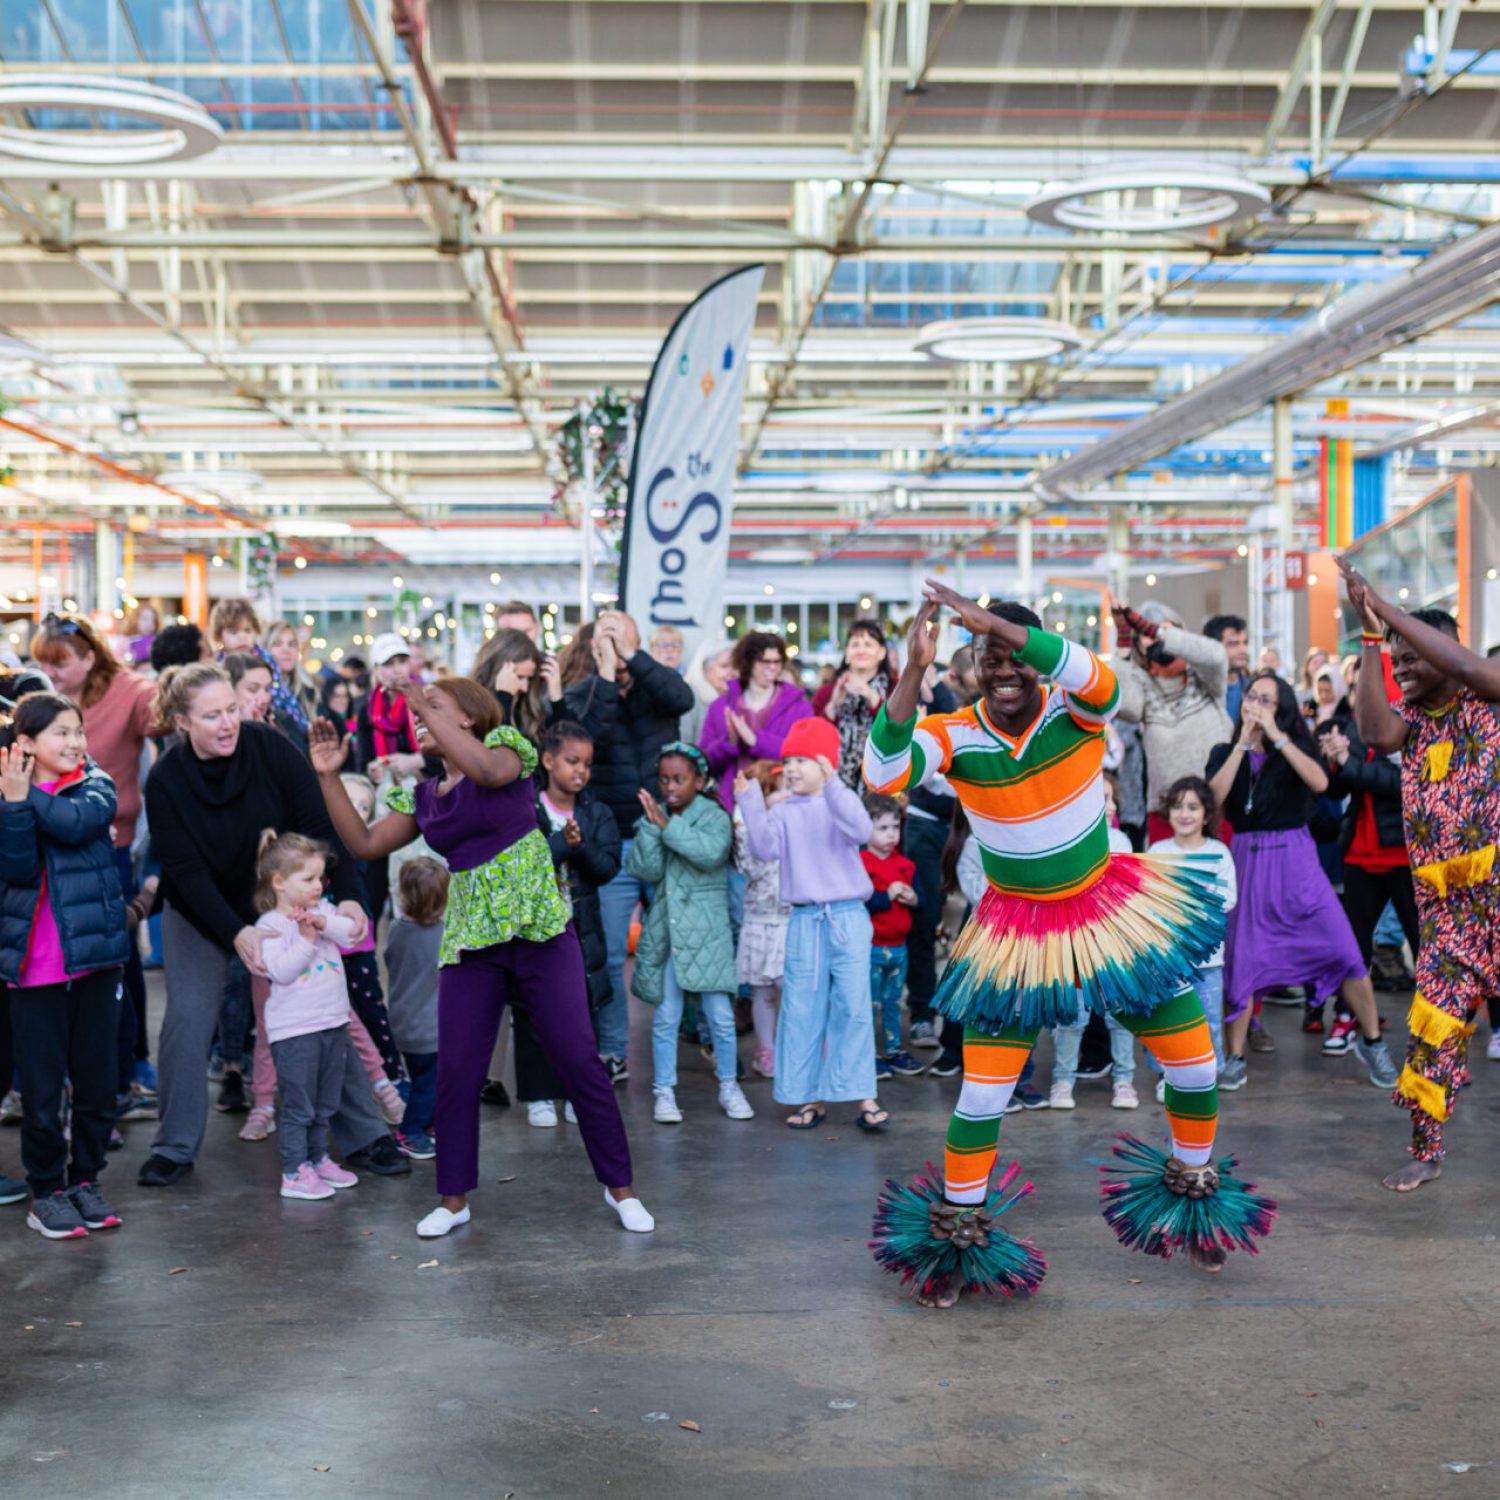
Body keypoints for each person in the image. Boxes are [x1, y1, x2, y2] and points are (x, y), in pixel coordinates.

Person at [866, 582, 1271, 1307]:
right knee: (982, 1097)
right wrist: (911, 671)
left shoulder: (1077, 710)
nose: (1006, 669)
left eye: (1017, 655)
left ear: (1039, 659)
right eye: (989, 657)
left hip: (1113, 914)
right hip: (1014, 935)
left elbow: (1102, 679)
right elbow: (882, 771)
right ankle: (956, 1244)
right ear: (970, 668)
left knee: (1196, 1065)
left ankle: (1196, 1195)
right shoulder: (953, 734)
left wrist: (1000, 625)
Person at [309, 674, 653, 1238]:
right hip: (472, 944)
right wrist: (326, 776)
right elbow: (364, 845)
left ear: (468, 718)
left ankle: (622, 1191)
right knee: (457, 1073)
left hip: (541, 932)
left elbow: (487, 772)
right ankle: (453, 1200)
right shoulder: (423, 796)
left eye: (436, 709)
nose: (419, 718)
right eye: (419, 712)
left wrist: (420, 695)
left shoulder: (506, 753)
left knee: (579, 1061)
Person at [136, 664, 403, 1188]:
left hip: (281, 904)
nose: (227, 723)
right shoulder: (167, 779)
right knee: (187, 1019)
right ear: (182, 722)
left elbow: (322, 830)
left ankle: (366, 1135)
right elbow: (185, 873)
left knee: (325, 1011)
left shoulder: (272, 749)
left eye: (231, 709)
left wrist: (347, 897)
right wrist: (237, 931)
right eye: (211, 715)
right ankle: (174, 1145)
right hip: (201, 910)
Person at [1338, 560, 1500, 1192]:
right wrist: (1372, 636)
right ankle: (1427, 1151)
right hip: (1448, 917)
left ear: (1444, 650)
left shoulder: (1487, 691)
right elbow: (1373, 732)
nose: (1400, 666)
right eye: (1394, 657)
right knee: (1431, 1032)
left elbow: (1463, 665)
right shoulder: (1416, 718)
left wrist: (1387, 609)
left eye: (1411, 654)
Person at [1206, 670, 1397, 1092]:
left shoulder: (1294, 747)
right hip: (1249, 865)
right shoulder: (1225, 751)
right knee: (1243, 962)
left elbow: (1321, 782)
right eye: (1252, 696)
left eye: (1267, 700)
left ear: (1284, 709)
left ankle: (1372, 1041)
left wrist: (1277, 736)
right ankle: (1235, 1057)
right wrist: (1243, 743)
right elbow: (1213, 800)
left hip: (1297, 863)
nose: (1255, 704)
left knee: (1346, 952)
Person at [0, 693, 130, 1240]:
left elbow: (80, 825)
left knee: (99, 1084)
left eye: (78, 731)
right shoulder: (8, 797)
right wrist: (12, 807)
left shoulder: (94, 784)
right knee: (43, 1091)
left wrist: (23, 794)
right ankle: (48, 1190)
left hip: (96, 961)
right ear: (25, 743)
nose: (76, 742)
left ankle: (86, 1180)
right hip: (34, 970)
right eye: (61, 733)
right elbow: (19, 868)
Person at [28, 614, 159, 1108]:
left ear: (89, 657)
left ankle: (124, 1070)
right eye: (43, 661)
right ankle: (49, 1083)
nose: (50, 671)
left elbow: (158, 710)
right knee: (51, 966)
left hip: (110, 845)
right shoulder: (39, 696)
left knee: (115, 962)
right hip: (44, 847)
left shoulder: (127, 689)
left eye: (59, 662)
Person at [563, 611, 695, 1084]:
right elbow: (586, 741)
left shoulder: (656, 689)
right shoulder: (583, 694)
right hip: (612, 844)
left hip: (664, 839)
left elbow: (682, 696)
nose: (616, 653)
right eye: (607, 642)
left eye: (624, 643)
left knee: (681, 947)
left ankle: (688, 1038)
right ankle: (614, 1049)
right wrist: (604, 673)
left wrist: (633, 658)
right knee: (613, 954)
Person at [738, 716, 887, 1133]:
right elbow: (764, 848)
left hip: (847, 918)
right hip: (804, 920)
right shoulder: (784, 810)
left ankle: (863, 1095)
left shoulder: (840, 801)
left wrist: (835, 784)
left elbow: (860, 830)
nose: (795, 768)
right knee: (802, 1009)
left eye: (804, 759)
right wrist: (751, 802)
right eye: (790, 760)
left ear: (826, 763)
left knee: (854, 1007)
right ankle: (809, 1097)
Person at [628, 743, 751, 1124]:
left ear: (699, 781)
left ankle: (729, 1085)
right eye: (664, 779)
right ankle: (664, 1091)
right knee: (665, 1017)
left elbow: (710, 854)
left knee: (720, 1017)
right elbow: (645, 870)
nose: (670, 787)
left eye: (679, 779)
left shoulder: (714, 817)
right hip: (670, 933)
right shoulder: (655, 817)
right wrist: (650, 828)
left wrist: (667, 827)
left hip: (709, 935)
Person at [516, 722, 620, 1128]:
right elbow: (522, 864)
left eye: (587, 764)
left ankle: (577, 1090)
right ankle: (538, 1093)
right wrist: (562, 844)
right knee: (532, 1010)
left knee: (581, 1011)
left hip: (581, 929)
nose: (581, 771)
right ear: (547, 760)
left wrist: (581, 847)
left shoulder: (596, 813)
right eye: (572, 761)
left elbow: (608, 867)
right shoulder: (528, 809)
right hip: (535, 928)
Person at [252, 832, 362, 1202]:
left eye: (320, 879)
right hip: (295, 1031)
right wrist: (305, 938)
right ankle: (294, 1170)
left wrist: (321, 923)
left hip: (333, 1023)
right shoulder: (270, 925)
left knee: (326, 1101)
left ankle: (318, 1159)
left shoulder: (324, 913)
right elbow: (280, 971)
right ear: (279, 882)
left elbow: (351, 936)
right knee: (300, 1106)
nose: (318, 886)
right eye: (309, 879)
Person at [1319, 710, 1419, 1059]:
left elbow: (1403, 783)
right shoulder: (1360, 724)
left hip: (1406, 856)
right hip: (1359, 854)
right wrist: (1333, 760)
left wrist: (1349, 763)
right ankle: (1347, 1016)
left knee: (1426, 948)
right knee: (1352, 946)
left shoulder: (1418, 720)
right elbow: (1336, 789)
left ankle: (1439, 1040)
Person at [1049, 773, 1144, 1112]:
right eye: (1102, 797)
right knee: (1072, 1018)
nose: (1112, 805)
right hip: (1075, 945)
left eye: (1111, 798)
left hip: (1112, 945)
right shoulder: (1064, 841)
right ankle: (1063, 1080)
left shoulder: (1120, 840)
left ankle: (1124, 1079)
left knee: (1119, 1017)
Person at [1111, 598, 1232, 843]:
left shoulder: (1204, 676)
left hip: (1217, 808)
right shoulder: (1142, 682)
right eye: (1144, 633)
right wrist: (1123, 638)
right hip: (1166, 813)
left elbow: (1217, 656)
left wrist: (1152, 630)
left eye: (1164, 629)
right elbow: (1129, 708)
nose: (1154, 637)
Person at [1146, 776, 1236, 1096]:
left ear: (1207, 816)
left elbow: (1227, 899)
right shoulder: (1158, 851)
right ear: (1167, 813)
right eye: (1178, 806)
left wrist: (1180, 902)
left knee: (1208, 1018)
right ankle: (1166, 1076)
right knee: (1166, 1018)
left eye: (1193, 807)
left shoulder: (1219, 853)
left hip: (1207, 958)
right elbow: (1151, 900)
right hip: (1167, 960)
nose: (1185, 814)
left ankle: (1206, 1076)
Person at [698, 631, 811, 810]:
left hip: (783, 802)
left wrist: (755, 740)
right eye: (765, 662)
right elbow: (704, 763)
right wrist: (730, 743)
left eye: (777, 662)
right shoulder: (720, 706)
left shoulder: (798, 707)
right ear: (748, 663)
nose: (772, 668)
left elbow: (806, 756)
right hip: (732, 803)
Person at [383, 858, 447, 1160]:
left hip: (402, 1022)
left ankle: (428, 1121)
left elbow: (391, 961)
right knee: (429, 1083)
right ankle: (410, 1131)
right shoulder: (445, 937)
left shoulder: (396, 929)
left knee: (421, 1078)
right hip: (431, 1029)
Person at [733, 759, 789, 1080]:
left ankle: (791, 1046)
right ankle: (766, 1050)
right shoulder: (747, 833)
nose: (785, 797)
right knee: (762, 991)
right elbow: (748, 869)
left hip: (789, 920)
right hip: (759, 920)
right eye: (777, 791)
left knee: (788, 985)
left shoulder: (793, 825)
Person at [861, 795, 924, 1080]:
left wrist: (912, 898)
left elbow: (921, 900)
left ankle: (894, 1049)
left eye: (895, 827)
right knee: (869, 1003)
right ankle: (867, 1054)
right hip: (872, 947)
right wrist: (885, 896)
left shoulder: (906, 865)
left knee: (892, 1002)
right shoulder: (861, 862)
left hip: (900, 947)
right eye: (882, 828)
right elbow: (861, 901)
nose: (890, 835)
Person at [811, 619, 896, 787]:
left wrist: (874, 699)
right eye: (855, 644)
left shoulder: (895, 688)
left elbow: (900, 731)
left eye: (868, 644)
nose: (861, 650)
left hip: (883, 780)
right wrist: (834, 705)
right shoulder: (827, 691)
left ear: (882, 652)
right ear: (847, 652)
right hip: (832, 780)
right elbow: (812, 735)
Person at [265, 619, 321, 726]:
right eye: (277, 644)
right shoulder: (260, 694)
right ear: (265, 649)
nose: (286, 649)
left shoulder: (308, 691)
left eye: (291, 644)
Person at [681, 636, 734, 745]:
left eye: (737, 666)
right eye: (724, 666)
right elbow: (682, 746)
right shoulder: (688, 697)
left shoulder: (737, 698)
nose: (732, 672)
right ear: (705, 669)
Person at [1205, 614, 1251, 724]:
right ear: (1213, 647)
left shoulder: (1253, 688)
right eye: (1234, 644)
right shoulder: (1196, 690)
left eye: (1245, 643)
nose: (1243, 650)